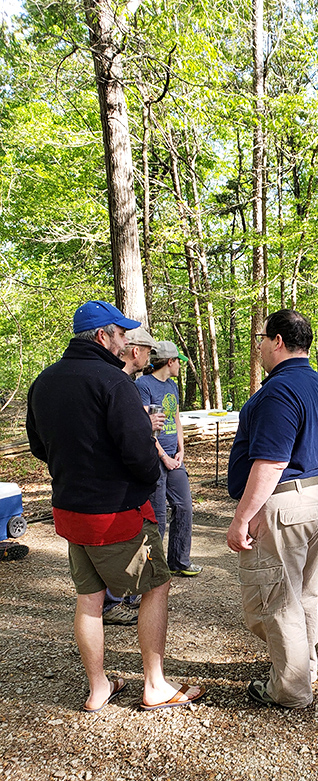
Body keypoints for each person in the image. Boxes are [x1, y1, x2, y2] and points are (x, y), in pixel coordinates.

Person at [26, 300, 204, 712]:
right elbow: (140, 453)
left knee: (89, 597)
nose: (127, 343)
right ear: (104, 336)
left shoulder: (45, 381)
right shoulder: (114, 383)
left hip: (70, 510)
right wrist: (143, 481)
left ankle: (98, 687)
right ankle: (155, 685)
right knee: (155, 585)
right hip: (115, 513)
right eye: (122, 334)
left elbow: (39, 446)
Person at [226, 309, 318, 709]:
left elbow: (272, 462)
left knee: (274, 599)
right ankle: (302, 666)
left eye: (261, 338)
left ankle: (290, 689)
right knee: (305, 591)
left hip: (285, 501)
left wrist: (243, 517)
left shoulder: (278, 391)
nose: (258, 346)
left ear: (277, 341)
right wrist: (313, 487)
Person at [102, 325, 165, 626]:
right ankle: (114, 602)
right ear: (136, 351)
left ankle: (122, 597)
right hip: (118, 490)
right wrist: (151, 469)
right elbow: (123, 439)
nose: (150, 357)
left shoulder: (121, 381)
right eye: (148, 351)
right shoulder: (118, 383)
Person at [135, 342, 202, 577]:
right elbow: (145, 427)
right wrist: (163, 456)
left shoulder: (172, 385)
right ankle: (151, 570)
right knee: (158, 517)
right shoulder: (143, 385)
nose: (180, 366)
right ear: (170, 361)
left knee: (184, 507)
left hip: (174, 457)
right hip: (154, 459)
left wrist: (181, 449)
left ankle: (179, 561)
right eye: (179, 362)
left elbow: (176, 419)